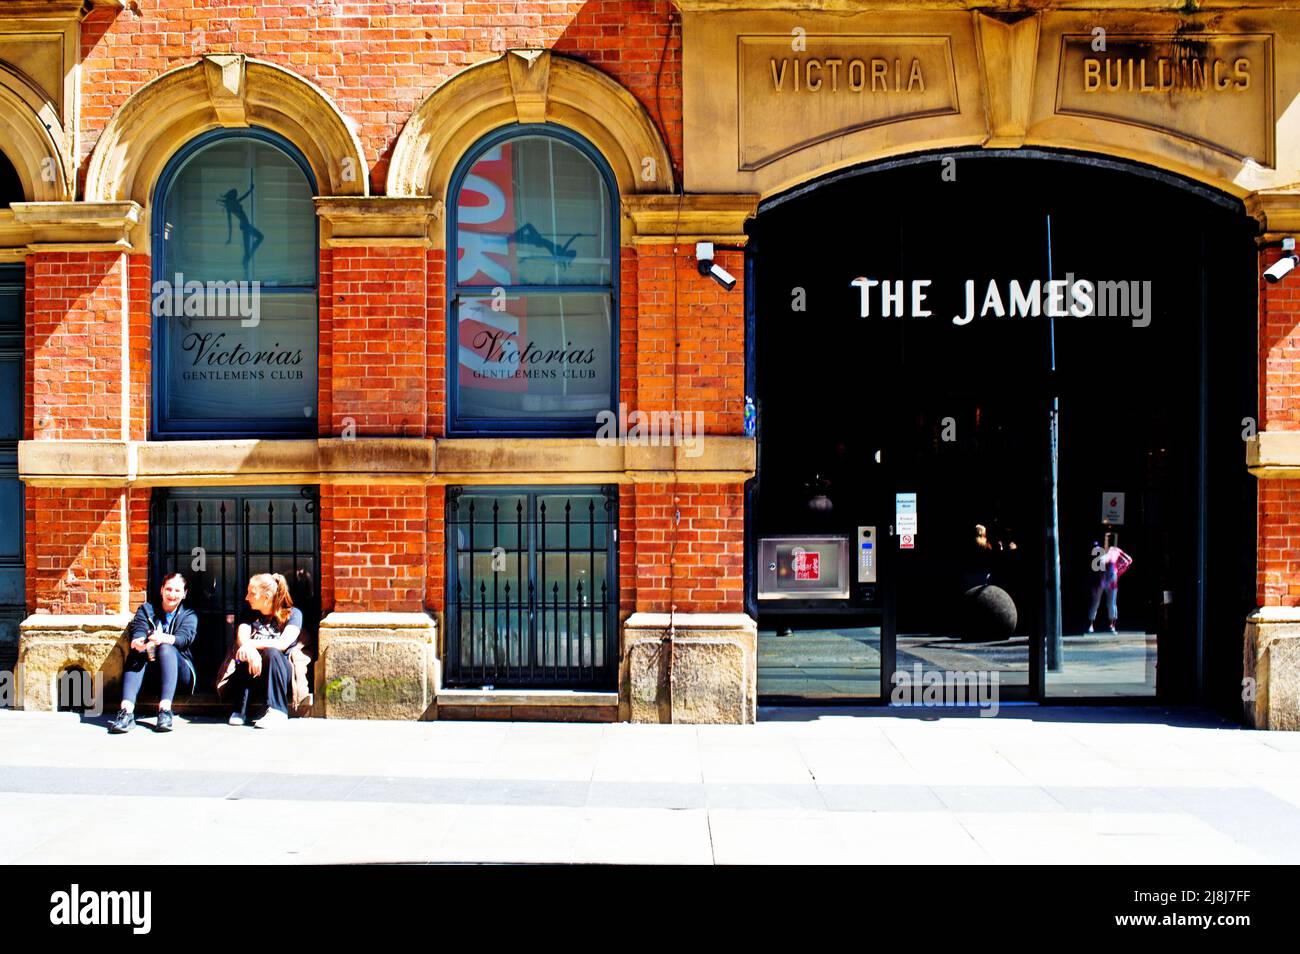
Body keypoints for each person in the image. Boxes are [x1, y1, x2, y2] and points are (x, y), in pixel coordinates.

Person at [108, 572, 198, 734]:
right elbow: (139, 629)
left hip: (180, 675)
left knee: (165, 647)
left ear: (184, 594)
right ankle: (126, 712)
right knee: (137, 652)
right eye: (168, 589)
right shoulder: (147, 610)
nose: (172, 594)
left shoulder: (189, 615)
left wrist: (162, 638)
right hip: (149, 672)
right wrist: (139, 641)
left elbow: (184, 639)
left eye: (177, 591)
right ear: (161, 590)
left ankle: (165, 711)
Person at [219, 573, 302, 729]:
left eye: (252, 593)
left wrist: (252, 646)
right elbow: (241, 638)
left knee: (271, 652)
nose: (246, 597)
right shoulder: (248, 614)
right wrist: (250, 651)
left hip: (279, 671)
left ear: (267, 596)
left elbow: (282, 643)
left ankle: (277, 711)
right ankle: (240, 709)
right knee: (244, 654)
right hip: (252, 671)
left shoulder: (293, 614)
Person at [1087, 532, 1133, 634]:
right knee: (1095, 602)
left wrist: (1118, 572)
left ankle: (1112, 625)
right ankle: (1091, 624)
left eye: (1107, 539)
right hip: (1101, 579)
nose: (1106, 541)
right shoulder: (1097, 550)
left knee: (1111, 603)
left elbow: (1128, 560)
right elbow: (1093, 567)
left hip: (1111, 579)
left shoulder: (1115, 550)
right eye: (1105, 539)